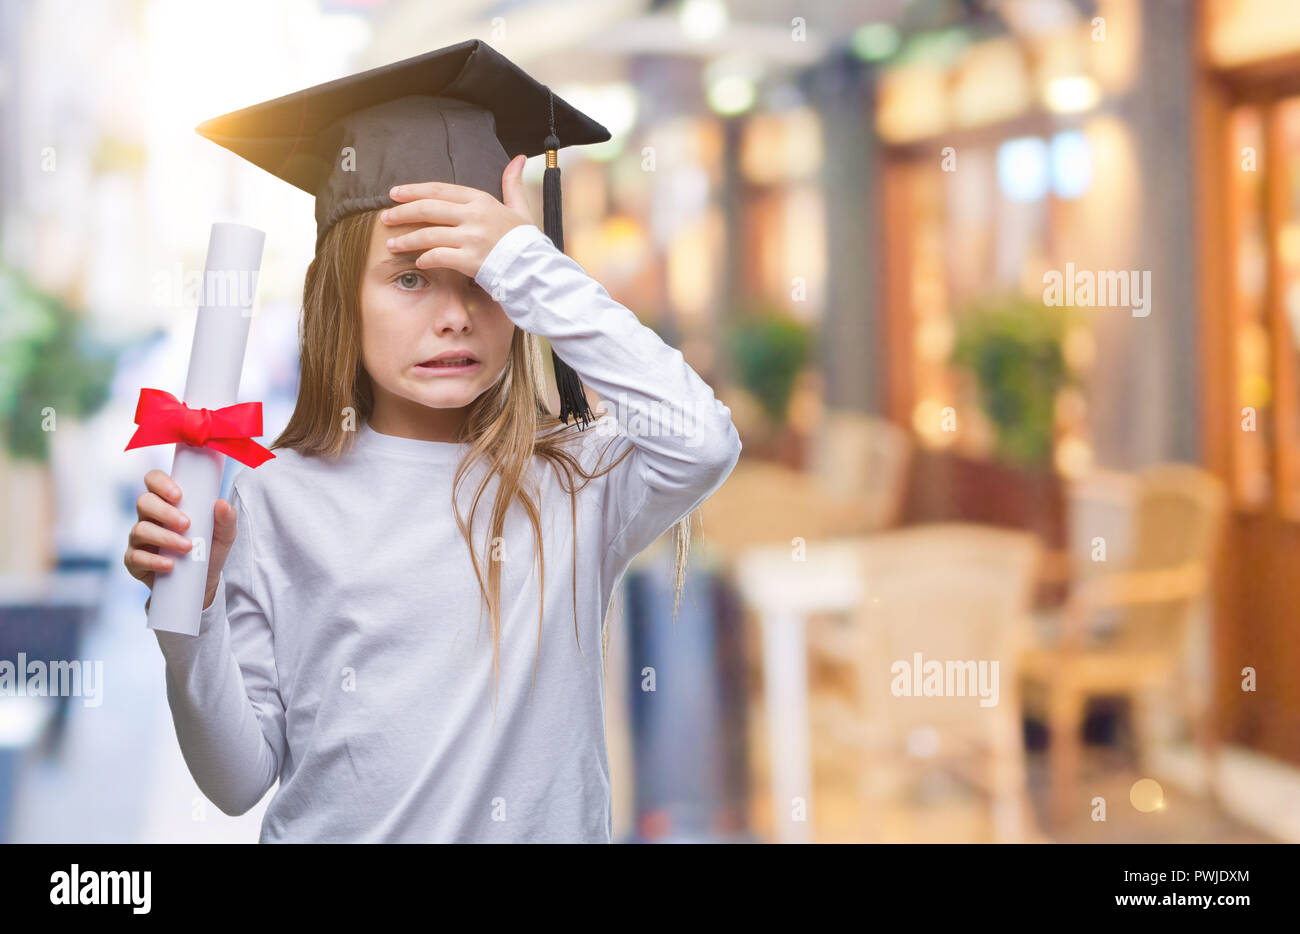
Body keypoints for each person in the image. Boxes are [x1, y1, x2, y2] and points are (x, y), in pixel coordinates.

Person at [122, 40, 741, 843]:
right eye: (409, 276)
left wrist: (526, 258)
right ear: (341, 298)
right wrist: (190, 619)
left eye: (481, 277)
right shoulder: (276, 499)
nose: (454, 315)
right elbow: (237, 781)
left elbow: (701, 439)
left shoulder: (573, 482)